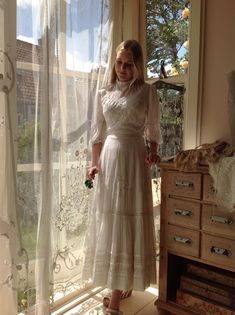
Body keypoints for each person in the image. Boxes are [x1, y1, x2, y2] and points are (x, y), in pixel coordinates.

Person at [82, 39, 161, 315]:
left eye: (129, 64)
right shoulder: (103, 92)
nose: (123, 68)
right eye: (119, 63)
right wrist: (94, 165)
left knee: (126, 221)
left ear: (137, 65)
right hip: (110, 160)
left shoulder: (146, 92)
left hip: (133, 158)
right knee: (111, 222)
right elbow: (96, 132)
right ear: (114, 64)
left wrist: (153, 151)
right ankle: (119, 286)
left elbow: (152, 128)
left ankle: (114, 302)